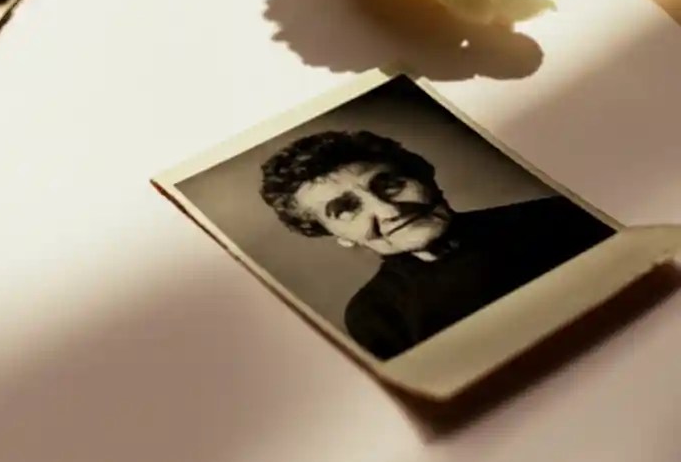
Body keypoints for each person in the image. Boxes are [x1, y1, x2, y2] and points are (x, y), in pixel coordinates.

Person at [259, 130, 615, 361]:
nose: (390, 211)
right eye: (346, 209)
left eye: (391, 184)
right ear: (338, 236)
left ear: (425, 175)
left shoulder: (559, 215)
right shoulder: (375, 315)